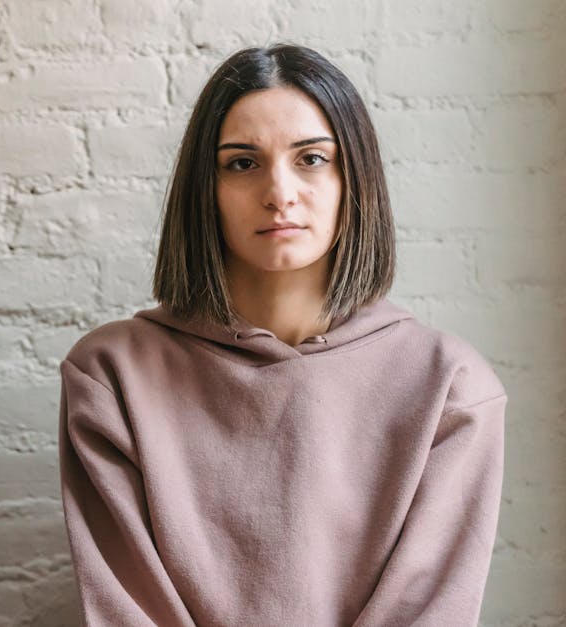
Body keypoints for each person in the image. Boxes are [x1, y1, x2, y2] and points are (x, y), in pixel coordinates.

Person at [58, 44, 505, 626]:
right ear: (206, 189)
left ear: (355, 178)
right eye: (242, 163)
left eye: (312, 159)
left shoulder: (451, 386)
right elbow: (127, 609)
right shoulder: (110, 375)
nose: (279, 192)